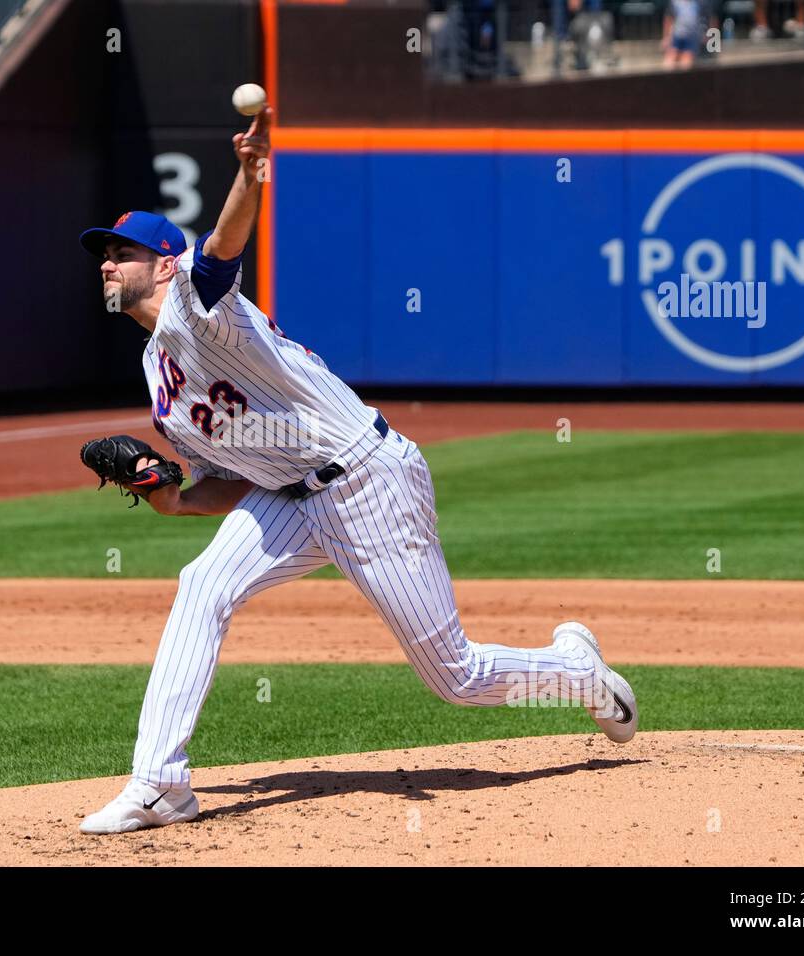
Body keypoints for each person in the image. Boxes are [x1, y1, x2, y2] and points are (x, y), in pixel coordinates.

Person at [72, 102, 638, 835]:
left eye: (121, 252)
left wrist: (250, 175)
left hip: (367, 480)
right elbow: (230, 481)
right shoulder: (158, 376)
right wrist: (172, 500)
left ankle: (575, 674)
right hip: (287, 496)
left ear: (163, 263)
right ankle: (160, 786)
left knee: (457, 680)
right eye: (102, 256)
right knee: (202, 583)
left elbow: (220, 249)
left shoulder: (195, 304)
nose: (108, 264)